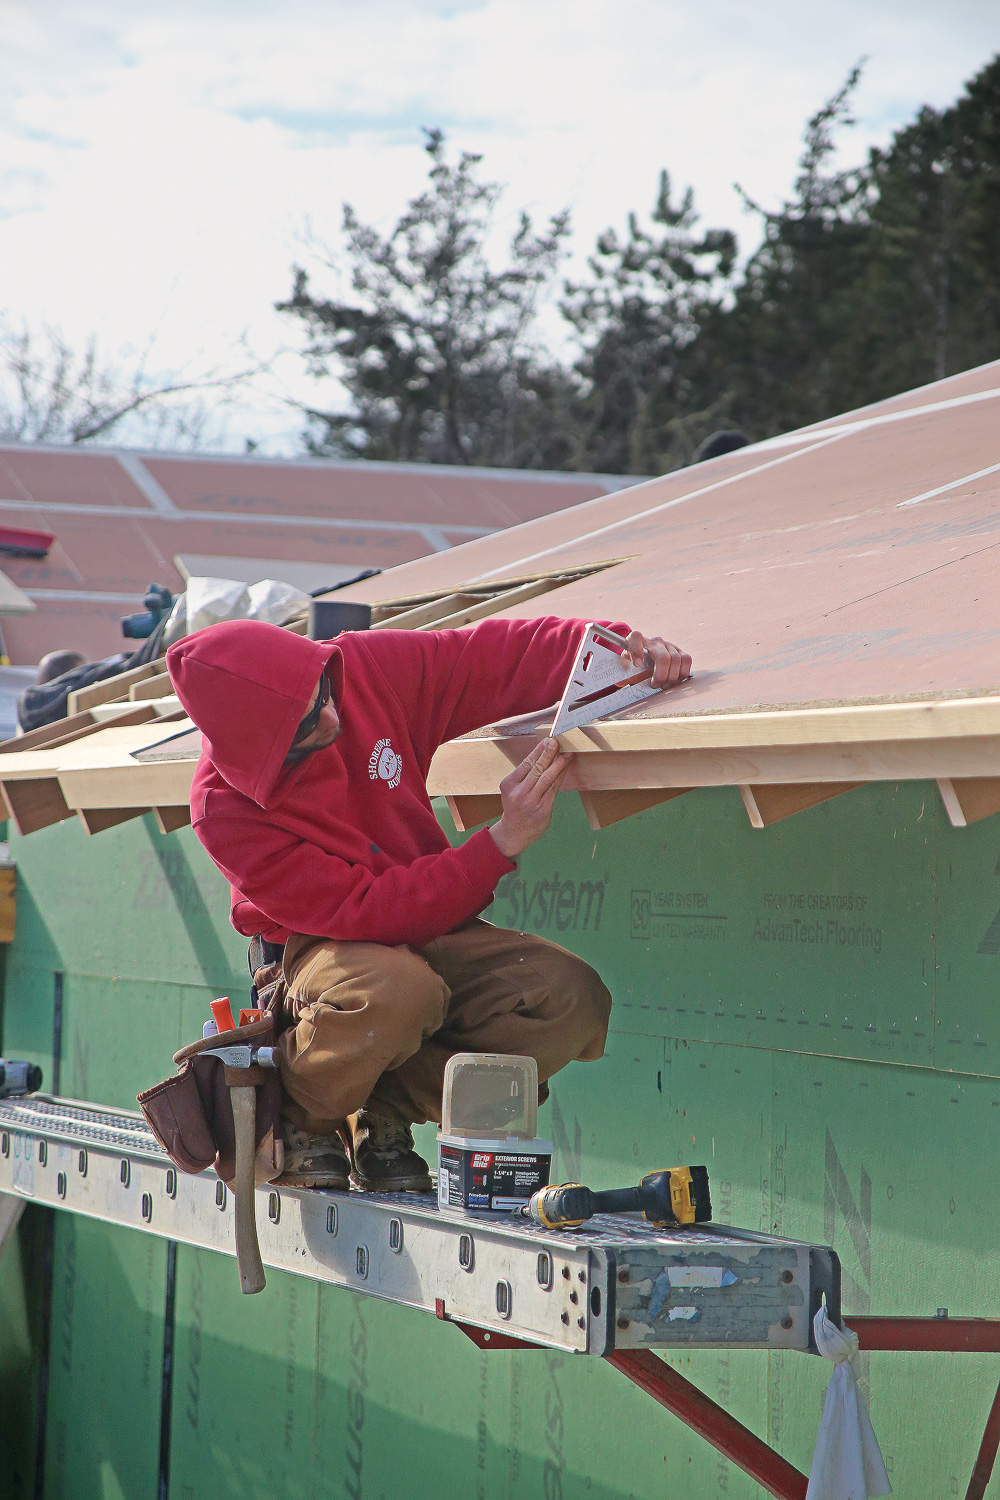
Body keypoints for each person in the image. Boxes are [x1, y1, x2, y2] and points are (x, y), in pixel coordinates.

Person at [166, 615, 691, 1192]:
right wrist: (500, 843)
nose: (335, 717)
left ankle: (383, 1108)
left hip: (424, 921)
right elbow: (369, 909)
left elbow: (487, 658)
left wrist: (615, 653)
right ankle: (301, 1116)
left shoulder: (361, 669)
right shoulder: (225, 811)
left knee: (571, 1001)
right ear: (261, 751)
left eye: (324, 694)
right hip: (322, 945)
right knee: (396, 991)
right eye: (310, 725)